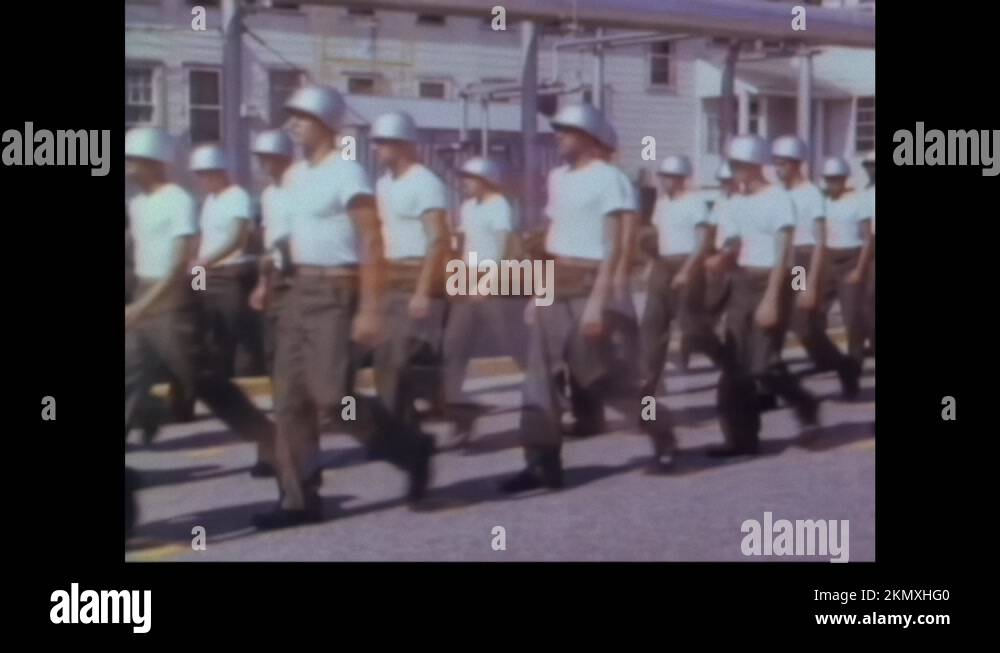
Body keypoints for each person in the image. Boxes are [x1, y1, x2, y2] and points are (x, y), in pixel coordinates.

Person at [254, 87, 431, 530]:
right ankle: (298, 500)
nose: (293, 124)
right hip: (295, 290)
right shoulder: (295, 176)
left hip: (334, 291)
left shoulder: (346, 171)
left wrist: (370, 308)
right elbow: (286, 235)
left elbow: (371, 239)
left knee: (333, 399)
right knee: (288, 400)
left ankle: (409, 448)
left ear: (326, 123)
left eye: (302, 117)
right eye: (291, 117)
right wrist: (269, 281)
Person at [499, 104, 677, 495]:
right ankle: (541, 462)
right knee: (539, 378)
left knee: (603, 378)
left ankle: (661, 429)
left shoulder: (610, 179)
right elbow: (553, 238)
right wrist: (538, 292)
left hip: (590, 281)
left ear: (589, 137)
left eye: (567, 131)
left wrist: (599, 302)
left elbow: (614, 247)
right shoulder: (558, 178)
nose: (559, 137)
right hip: (558, 280)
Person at [124, 127, 276, 484]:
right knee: (129, 375)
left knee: (206, 382)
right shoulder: (138, 203)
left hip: (172, 303)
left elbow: (181, 262)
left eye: (133, 160)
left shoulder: (178, 200)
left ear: (154, 162)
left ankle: (271, 441)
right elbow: (139, 248)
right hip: (147, 294)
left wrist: (143, 306)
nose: (127, 167)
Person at [709, 135, 819, 457]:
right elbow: (733, 241)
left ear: (754, 165)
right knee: (734, 367)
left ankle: (804, 403)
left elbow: (784, 254)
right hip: (742, 282)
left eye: (738, 165)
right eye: (732, 166)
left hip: (772, 281)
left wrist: (773, 298)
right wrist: (721, 258)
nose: (734, 172)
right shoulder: (736, 202)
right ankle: (740, 439)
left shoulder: (779, 199)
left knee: (761, 365)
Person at [370, 110, 452, 426]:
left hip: (416, 275)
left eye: (384, 142)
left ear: (403, 144)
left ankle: (398, 425)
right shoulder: (383, 184)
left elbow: (438, 239)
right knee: (387, 354)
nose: (377, 148)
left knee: (398, 356)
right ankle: (419, 414)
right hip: (389, 275)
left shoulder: (425, 183)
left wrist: (422, 291)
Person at [772, 136, 861, 399]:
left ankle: (842, 364)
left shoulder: (810, 194)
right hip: (779, 259)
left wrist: (809, 285)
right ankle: (772, 382)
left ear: (796, 164)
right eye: (776, 163)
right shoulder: (779, 193)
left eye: (782, 164)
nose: (777, 169)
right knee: (774, 324)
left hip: (801, 262)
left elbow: (820, 241)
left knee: (801, 323)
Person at [440, 156, 516, 447]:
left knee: (515, 345)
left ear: (486, 181)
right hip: (467, 279)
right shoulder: (467, 207)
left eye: (470, 178)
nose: (464, 183)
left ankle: (549, 405)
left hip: (492, 282)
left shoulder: (500, 206)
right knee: (453, 349)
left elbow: (506, 249)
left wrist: (489, 284)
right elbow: (465, 245)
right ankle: (461, 417)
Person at [640, 154, 723, 398]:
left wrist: (687, 271)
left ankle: (729, 362)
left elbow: (701, 242)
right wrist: (650, 265)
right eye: (664, 176)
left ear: (681, 179)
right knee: (652, 324)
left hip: (688, 264)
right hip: (663, 265)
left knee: (691, 327)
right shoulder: (662, 203)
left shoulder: (695, 203)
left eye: (671, 177)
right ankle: (650, 383)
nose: (666, 181)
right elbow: (659, 237)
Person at [189, 144, 262, 380]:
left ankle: (245, 379)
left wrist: (203, 261)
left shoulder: (237, 196)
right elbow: (204, 237)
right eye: (199, 175)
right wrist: (194, 265)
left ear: (221, 172)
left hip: (231, 274)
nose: (202, 180)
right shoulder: (210, 200)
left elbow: (236, 239)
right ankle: (219, 379)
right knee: (211, 329)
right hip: (207, 273)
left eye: (207, 174)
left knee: (236, 330)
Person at [247, 129, 295, 377]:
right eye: (261, 158)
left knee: (294, 339)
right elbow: (267, 243)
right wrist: (261, 284)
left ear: (285, 157)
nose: (264, 164)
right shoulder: (268, 194)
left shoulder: (300, 188)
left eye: (270, 157)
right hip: (275, 272)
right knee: (272, 339)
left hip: (298, 273)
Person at [819, 156, 872, 376]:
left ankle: (853, 365)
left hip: (851, 260)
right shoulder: (822, 202)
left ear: (844, 179)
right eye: (829, 179)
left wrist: (859, 270)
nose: (832, 183)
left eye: (836, 179)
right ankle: (825, 356)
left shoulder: (858, 201)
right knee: (806, 312)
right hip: (824, 260)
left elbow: (868, 239)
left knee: (852, 317)